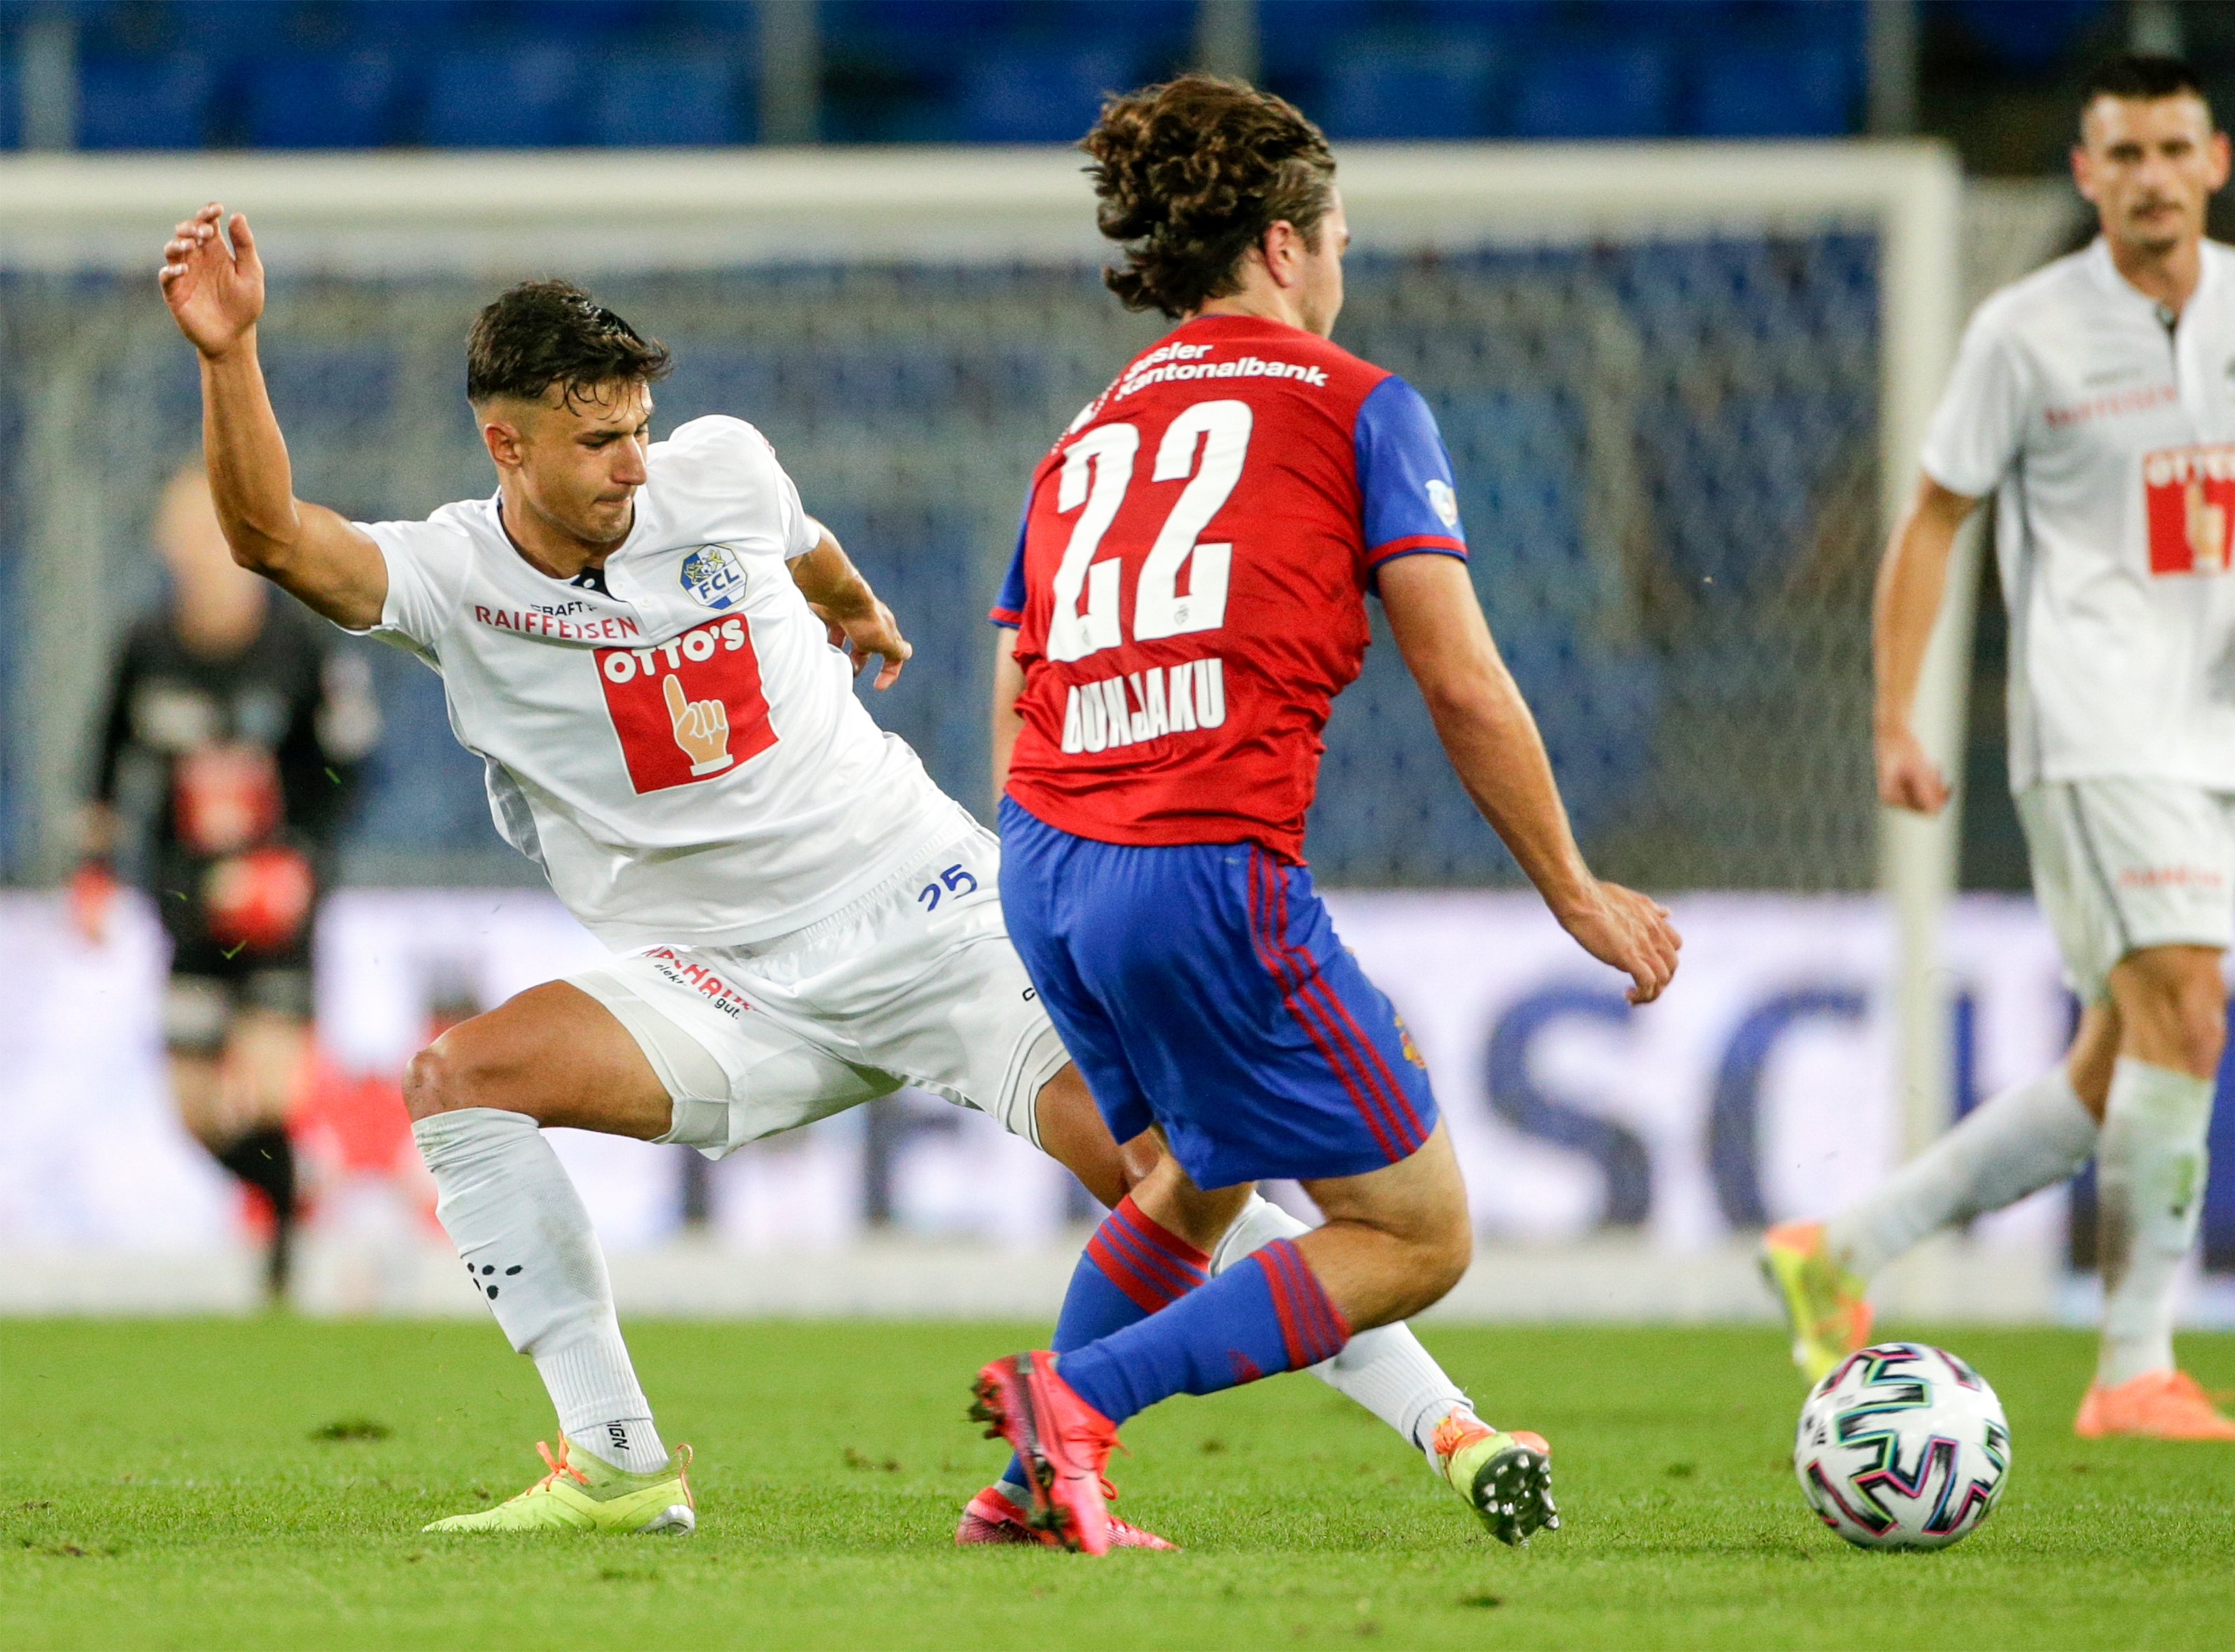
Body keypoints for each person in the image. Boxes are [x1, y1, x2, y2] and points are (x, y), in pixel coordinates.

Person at [156, 204, 1506, 1545]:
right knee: (460, 1082)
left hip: (931, 915)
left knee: (1163, 1165)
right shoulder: (450, 575)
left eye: (638, 428)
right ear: (503, 442)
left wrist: (850, 602)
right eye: (597, 441)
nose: (635, 465)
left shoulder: (718, 466)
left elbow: (797, 541)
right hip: (723, 985)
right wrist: (230, 355)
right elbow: (272, 534)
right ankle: (618, 1463)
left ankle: (1450, 1430)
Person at [967, 76, 1682, 1555]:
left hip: (1043, 855)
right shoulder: (1362, 406)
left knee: (1203, 1167)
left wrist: (1053, 862)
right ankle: (1078, 1400)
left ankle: (1030, 1485)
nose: (1342, 271)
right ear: (1284, 247)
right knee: (1418, 1232)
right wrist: (1574, 889)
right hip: (1197, 863)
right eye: (1337, 240)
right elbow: (1463, 680)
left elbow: (1015, 665)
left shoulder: (1085, 430)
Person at [1763, 54, 2235, 1441]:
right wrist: (1892, 714)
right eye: (2121, 155)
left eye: (2170, 149)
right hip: (2089, 718)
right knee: (2189, 1011)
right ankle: (2131, 1366)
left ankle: (1834, 1251)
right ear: (2086, 175)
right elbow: (1929, 516)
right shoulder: (2023, 330)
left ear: (2213, 160)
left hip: (2219, 724)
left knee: (2117, 1062)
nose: (2148, 176)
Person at [76, 466, 380, 1304]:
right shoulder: (146, 645)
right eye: (190, 534)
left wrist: (298, 860)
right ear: (166, 545)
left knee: (272, 1089)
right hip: (183, 898)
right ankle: (298, 1189)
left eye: (220, 534)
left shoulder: (301, 645)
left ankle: (284, 1255)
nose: (207, 554)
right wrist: (94, 872)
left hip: (280, 905)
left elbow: (348, 767)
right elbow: (107, 763)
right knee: (198, 1113)